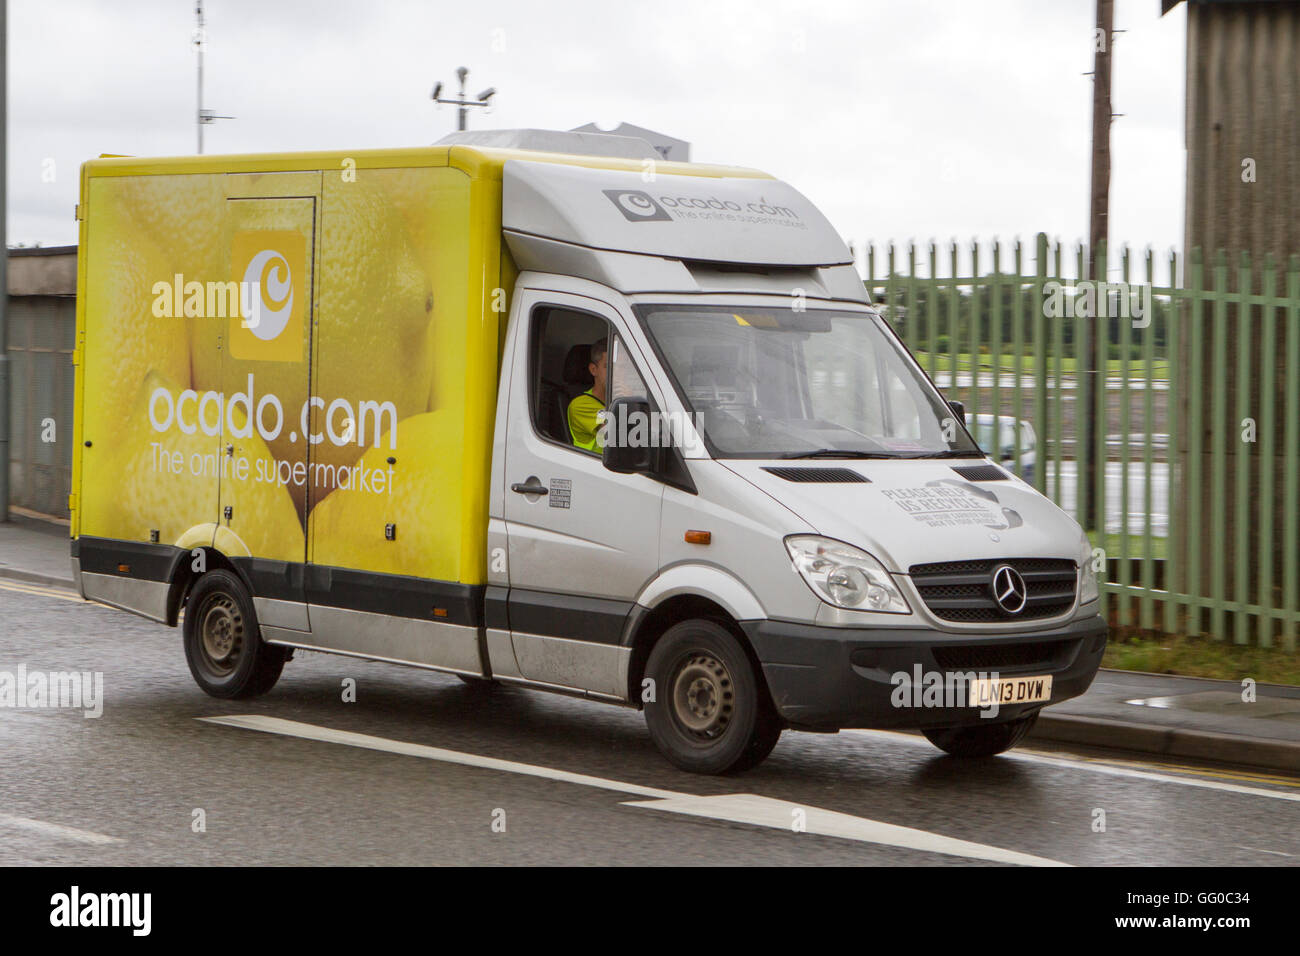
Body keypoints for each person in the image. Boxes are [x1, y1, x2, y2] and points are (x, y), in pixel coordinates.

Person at [568, 337, 607, 451]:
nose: (617, 372)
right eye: (609, 366)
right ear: (593, 369)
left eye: (623, 367)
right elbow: (617, 435)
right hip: (593, 466)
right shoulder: (581, 405)